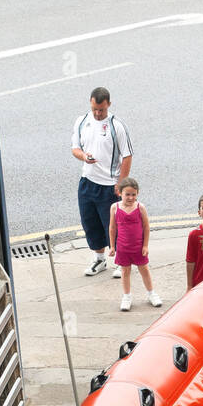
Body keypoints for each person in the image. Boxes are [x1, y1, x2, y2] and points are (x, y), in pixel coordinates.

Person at [72, 87, 133, 277]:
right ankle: (99, 259)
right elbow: (75, 148)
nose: (98, 114)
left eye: (102, 110)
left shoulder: (117, 126)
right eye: (95, 109)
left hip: (110, 185)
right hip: (87, 182)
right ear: (90, 103)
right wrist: (84, 156)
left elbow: (127, 155)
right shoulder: (82, 121)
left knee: (113, 226)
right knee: (90, 223)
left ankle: (121, 261)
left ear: (109, 105)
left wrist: (121, 183)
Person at [109, 178, 162, 311]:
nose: (131, 197)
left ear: (137, 194)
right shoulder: (114, 207)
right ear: (120, 193)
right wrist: (112, 246)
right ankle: (127, 296)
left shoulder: (140, 207)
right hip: (122, 247)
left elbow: (146, 227)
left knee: (144, 269)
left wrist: (145, 246)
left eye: (134, 194)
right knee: (125, 271)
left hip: (138, 247)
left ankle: (151, 294)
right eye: (127, 194)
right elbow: (112, 228)